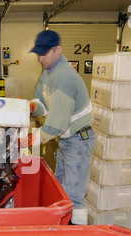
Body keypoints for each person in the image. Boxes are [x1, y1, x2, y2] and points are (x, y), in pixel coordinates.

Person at [30, 30, 95, 225]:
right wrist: (30, 108)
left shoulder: (64, 77)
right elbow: (42, 103)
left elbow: (56, 125)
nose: (40, 59)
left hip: (78, 141)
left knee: (73, 194)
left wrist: (31, 140)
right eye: (38, 54)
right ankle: (63, 230)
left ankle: (77, 235)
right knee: (60, 188)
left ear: (57, 50)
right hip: (67, 141)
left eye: (44, 53)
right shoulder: (49, 73)